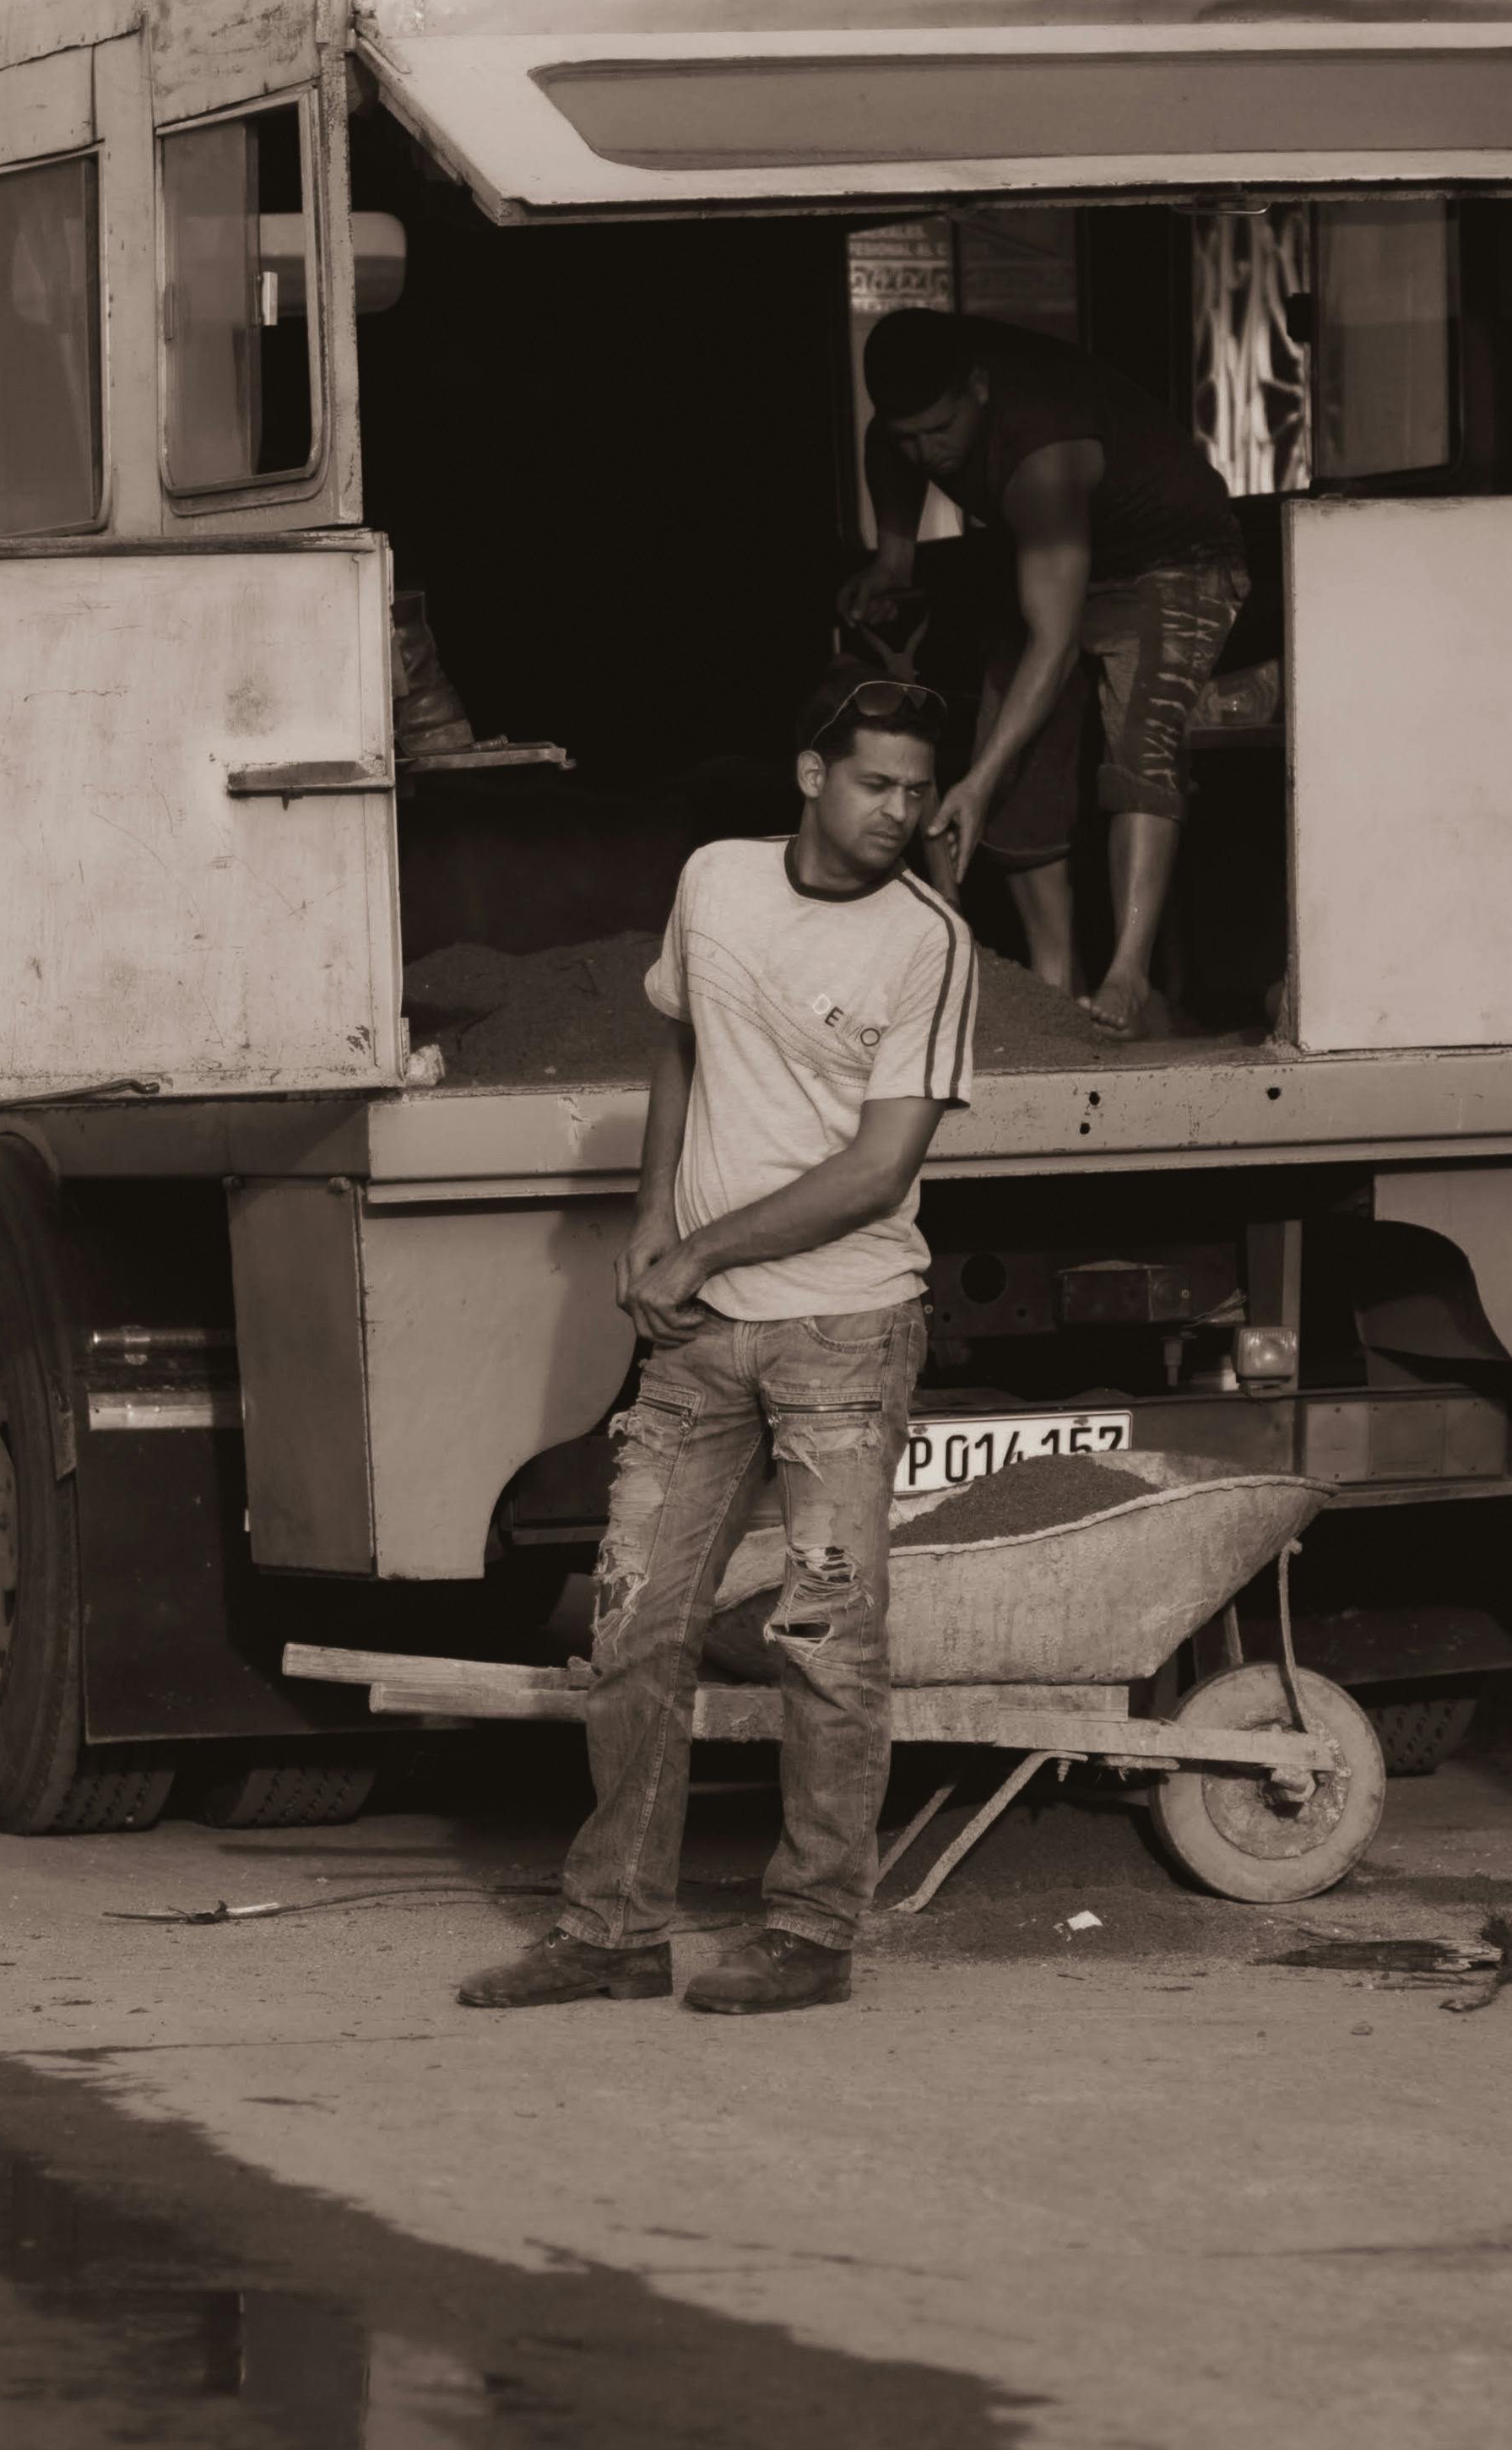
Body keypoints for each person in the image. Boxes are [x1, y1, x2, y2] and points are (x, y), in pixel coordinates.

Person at [458, 664, 977, 2019]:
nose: (898, 812)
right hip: (700, 1337)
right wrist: (647, 1220)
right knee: (632, 1626)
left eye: (919, 792)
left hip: (847, 1335)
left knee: (827, 1642)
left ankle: (812, 1938)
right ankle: (614, 1933)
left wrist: (700, 1248)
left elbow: (879, 1171)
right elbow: (679, 1041)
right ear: (813, 776)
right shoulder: (717, 881)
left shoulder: (930, 943)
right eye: (875, 783)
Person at [840, 307, 1247, 1037]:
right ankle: (1054, 982)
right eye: (911, 437)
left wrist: (977, 779)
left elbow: (1054, 646)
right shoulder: (906, 431)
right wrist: (892, 560)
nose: (930, 454)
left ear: (980, 388)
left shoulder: (1042, 452)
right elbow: (890, 447)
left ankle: (1127, 973)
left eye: (942, 431)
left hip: (1171, 561)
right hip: (1056, 564)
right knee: (1011, 760)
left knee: (1141, 742)